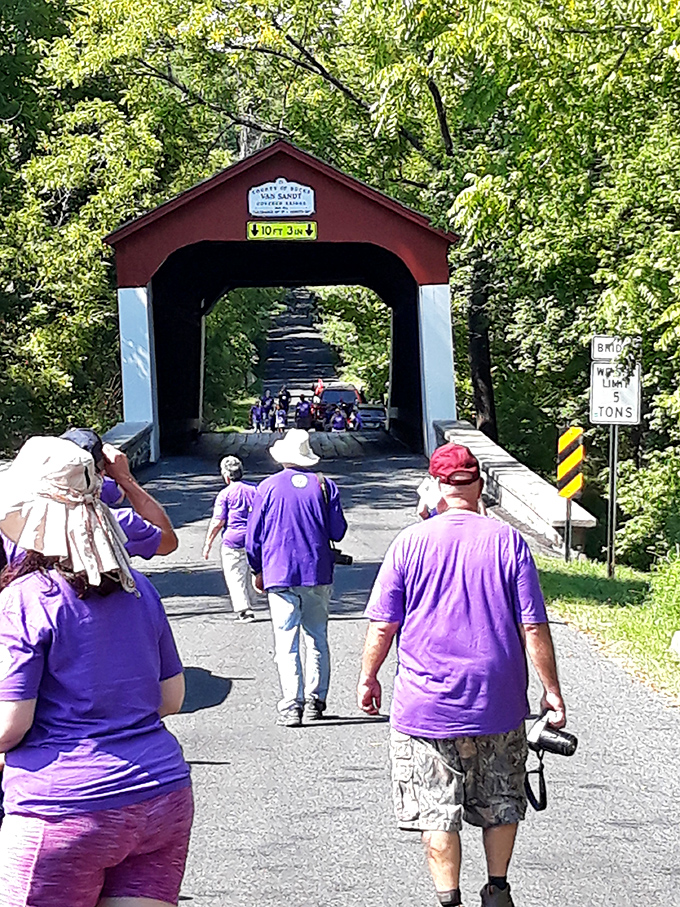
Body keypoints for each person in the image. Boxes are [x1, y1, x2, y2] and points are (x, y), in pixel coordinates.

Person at [357, 442, 567, 907]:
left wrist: (368, 677)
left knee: (437, 812)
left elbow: (383, 623)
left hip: (426, 704)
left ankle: (447, 899)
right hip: (497, 699)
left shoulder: (409, 543)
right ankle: (497, 889)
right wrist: (552, 691)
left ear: (434, 486)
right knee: (500, 801)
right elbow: (532, 624)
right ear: (479, 486)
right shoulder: (508, 541)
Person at [0, 436, 192, 905]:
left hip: (63, 807)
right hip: (162, 795)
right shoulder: (139, 588)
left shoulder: (26, 599)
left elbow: (9, 725)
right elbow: (171, 699)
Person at [246, 429, 347, 727]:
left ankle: (292, 704)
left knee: (286, 640)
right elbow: (338, 531)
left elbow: (254, 537)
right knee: (316, 637)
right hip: (317, 571)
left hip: (279, 572)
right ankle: (316, 700)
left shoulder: (266, 487)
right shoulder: (325, 485)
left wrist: (257, 570)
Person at [60, 428, 178, 560]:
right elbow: (168, 542)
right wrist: (125, 477)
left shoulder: (35, 513)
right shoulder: (119, 521)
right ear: (101, 473)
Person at [202, 456, 257, 623]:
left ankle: (244, 609)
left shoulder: (225, 494)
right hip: (255, 538)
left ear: (225, 476)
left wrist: (208, 543)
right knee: (250, 571)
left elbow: (218, 521)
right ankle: (251, 599)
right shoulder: (256, 490)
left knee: (235, 574)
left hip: (233, 540)